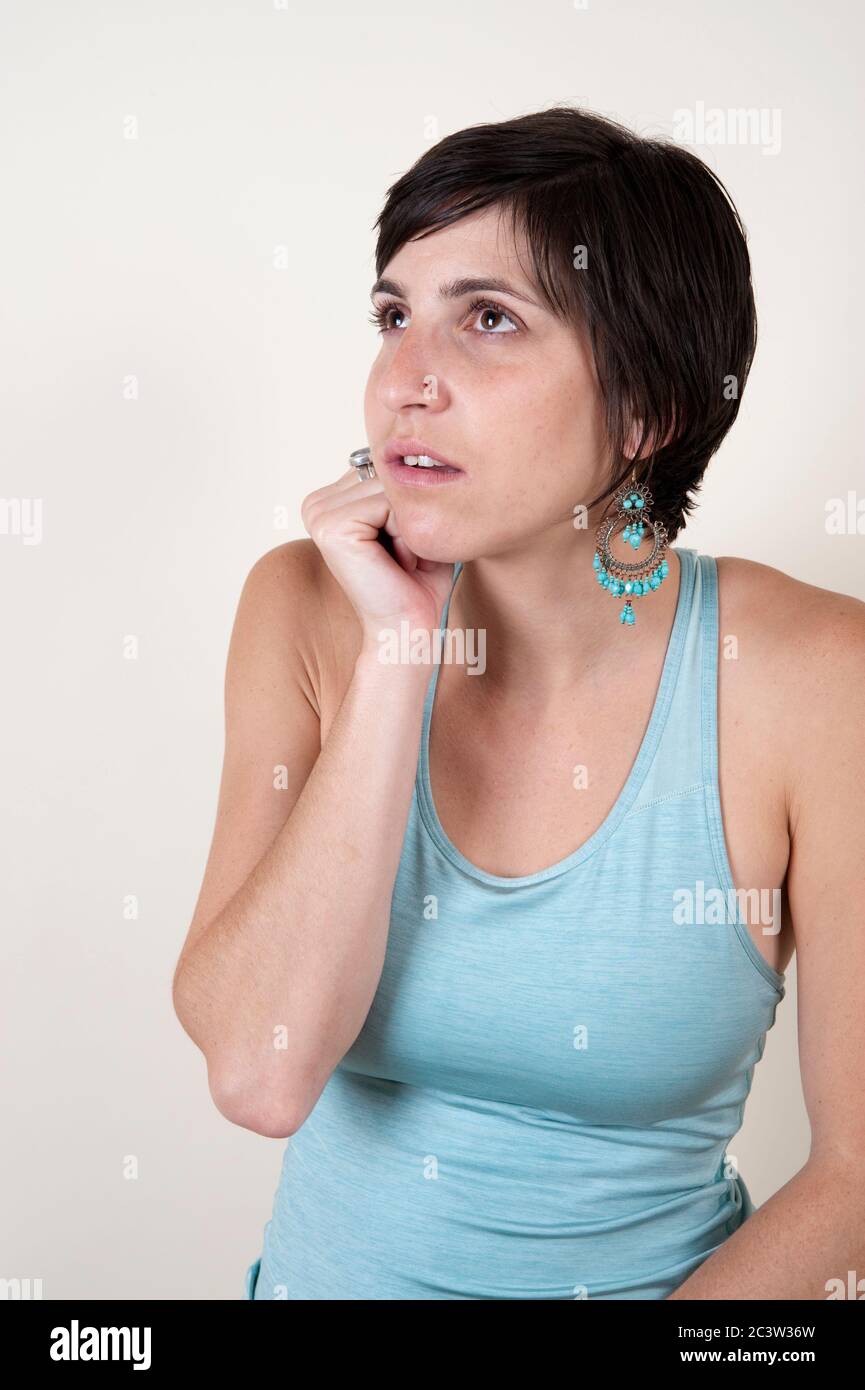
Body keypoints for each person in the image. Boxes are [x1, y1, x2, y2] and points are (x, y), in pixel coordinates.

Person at [172, 106, 865, 1300]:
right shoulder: (302, 608)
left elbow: (857, 1173)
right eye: (395, 316)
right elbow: (258, 1076)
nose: (405, 383)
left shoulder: (814, 677)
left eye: (488, 319)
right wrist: (400, 649)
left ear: (646, 408)